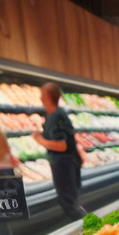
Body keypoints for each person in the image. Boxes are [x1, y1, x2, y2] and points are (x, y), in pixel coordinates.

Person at [33, 81, 84, 220]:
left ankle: (89, 231)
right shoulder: (51, 116)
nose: (41, 98)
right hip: (62, 164)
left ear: (49, 97)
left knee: (70, 203)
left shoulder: (58, 116)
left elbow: (62, 145)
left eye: (43, 94)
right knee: (68, 202)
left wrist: (40, 140)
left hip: (65, 165)